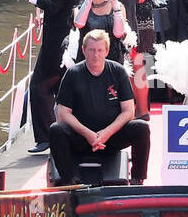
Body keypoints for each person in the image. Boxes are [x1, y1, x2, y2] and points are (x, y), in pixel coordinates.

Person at [50, 30, 150, 187]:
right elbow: (63, 114)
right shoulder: (73, 74)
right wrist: (89, 134)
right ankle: (68, 181)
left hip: (111, 138)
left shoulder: (118, 72)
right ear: (83, 51)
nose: (95, 55)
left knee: (141, 128)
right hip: (81, 138)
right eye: (91, 50)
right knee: (56, 130)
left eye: (99, 50)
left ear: (106, 51)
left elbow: (129, 111)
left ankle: (137, 179)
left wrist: (106, 133)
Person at [13, 0, 83, 154]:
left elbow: (52, 5)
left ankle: (46, 137)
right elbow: (62, 6)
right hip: (64, 34)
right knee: (60, 86)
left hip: (56, 40)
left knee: (39, 87)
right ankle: (62, 132)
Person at [122, 0, 157, 121]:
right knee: (138, 65)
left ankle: (140, 110)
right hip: (145, 20)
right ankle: (141, 109)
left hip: (137, 21)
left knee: (134, 65)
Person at [73, 0, 129, 67]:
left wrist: (115, 5)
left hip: (112, 59)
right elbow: (79, 24)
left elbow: (118, 34)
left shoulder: (118, 6)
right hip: (87, 59)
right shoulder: (80, 9)